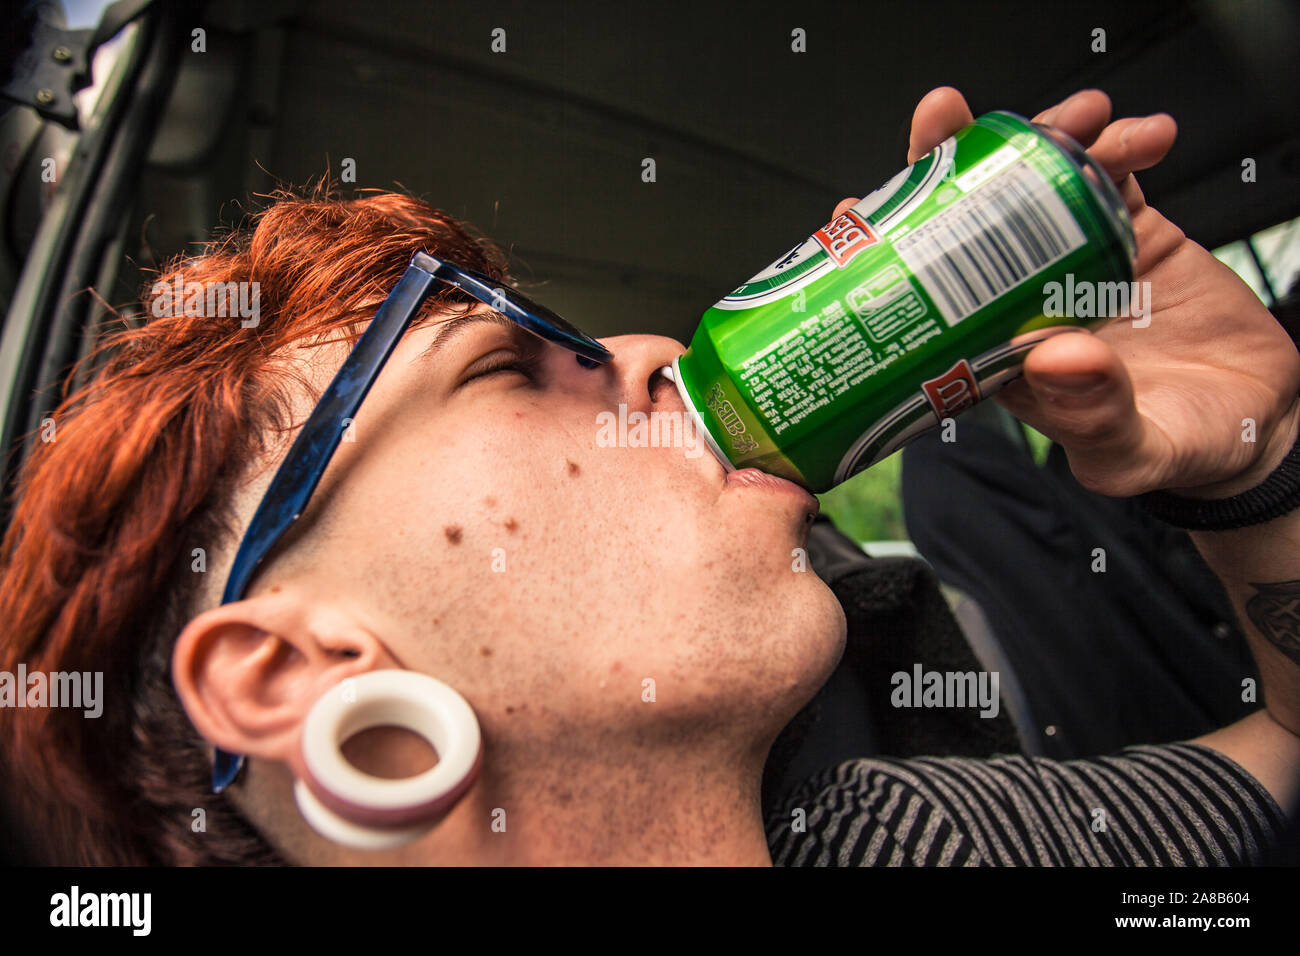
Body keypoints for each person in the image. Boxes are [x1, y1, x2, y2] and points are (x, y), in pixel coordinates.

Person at [0, 87, 1297, 866]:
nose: (655, 355)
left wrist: (1259, 460)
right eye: (505, 368)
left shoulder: (897, 841)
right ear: (299, 677)